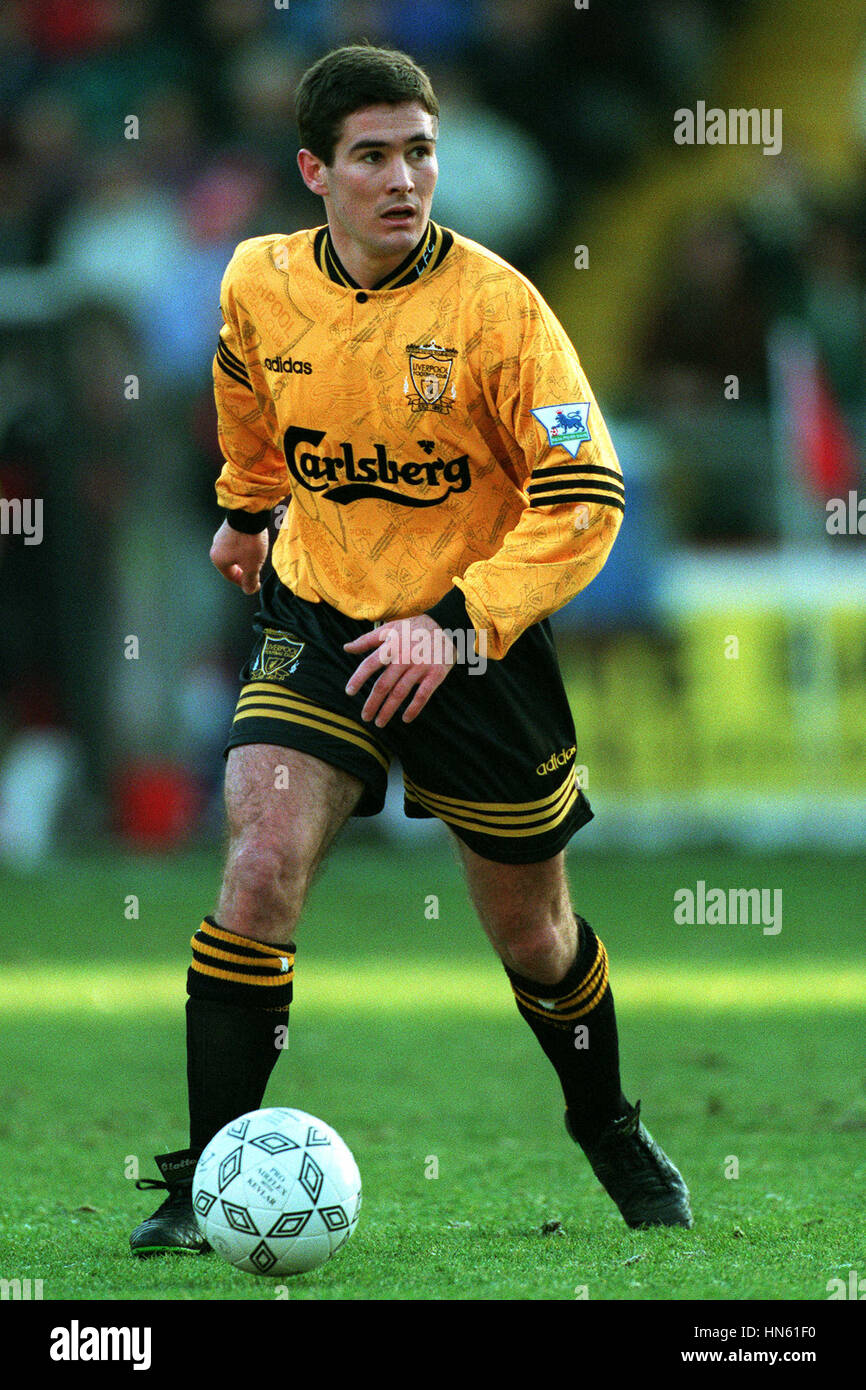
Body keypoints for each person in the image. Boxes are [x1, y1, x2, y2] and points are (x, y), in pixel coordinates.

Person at [130, 43, 691, 1256]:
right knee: (258, 866)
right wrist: (242, 507)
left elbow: (586, 492)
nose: (403, 179)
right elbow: (243, 385)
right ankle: (207, 1178)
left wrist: (457, 624)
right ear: (314, 174)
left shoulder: (497, 309)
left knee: (533, 936)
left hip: (468, 638)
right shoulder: (258, 281)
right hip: (320, 615)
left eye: (419, 152)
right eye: (373, 156)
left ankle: (605, 1123)